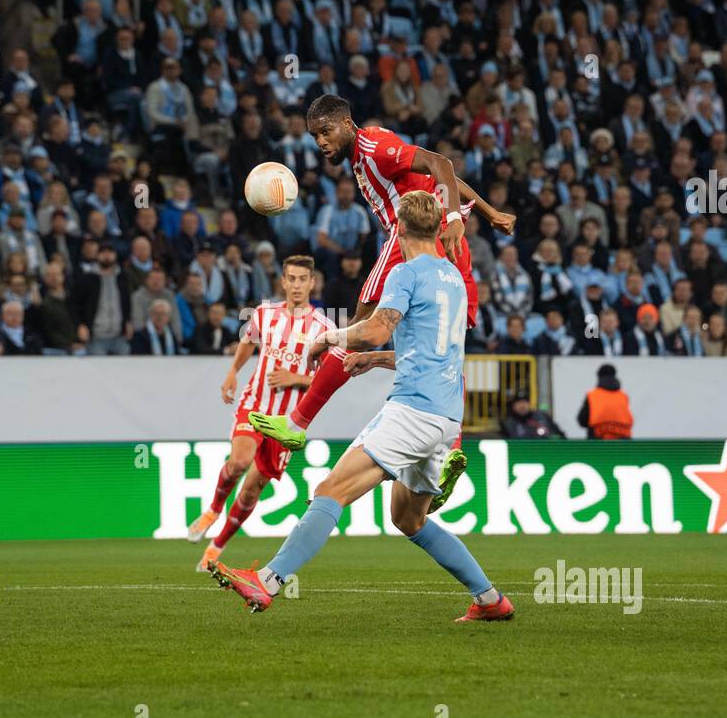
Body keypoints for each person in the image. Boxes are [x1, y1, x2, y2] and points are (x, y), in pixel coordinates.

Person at [212, 192, 514, 622]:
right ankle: (490, 599)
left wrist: (330, 338)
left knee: (330, 491)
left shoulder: (404, 273)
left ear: (400, 230)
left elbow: (375, 329)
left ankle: (268, 580)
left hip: (411, 412)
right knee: (408, 520)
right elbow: (436, 352)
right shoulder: (454, 277)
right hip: (446, 418)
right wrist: (375, 360)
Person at [249, 94, 516, 512]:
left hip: (411, 236)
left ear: (347, 123)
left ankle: (297, 423)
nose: (321, 142)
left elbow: (441, 165)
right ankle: (451, 450)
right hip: (450, 253)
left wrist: (453, 218)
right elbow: (438, 180)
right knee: (443, 345)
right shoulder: (366, 154)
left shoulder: (374, 147)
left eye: (325, 131)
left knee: (360, 327)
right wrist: (489, 211)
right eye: (314, 136)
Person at [186, 256, 333, 573]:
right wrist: (232, 372)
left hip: (286, 424)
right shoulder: (265, 313)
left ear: (312, 283)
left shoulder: (324, 328)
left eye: (302, 279)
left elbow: (330, 378)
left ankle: (216, 546)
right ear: (283, 282)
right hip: (255, 405)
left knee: (252, 489)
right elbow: (247, 342)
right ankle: (213, 509)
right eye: (290, 279)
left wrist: (297, 379)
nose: (296, 285)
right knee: (239, 461)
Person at [576, 363, 633, 439]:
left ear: (599, 377)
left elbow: (582, 420)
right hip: (623, 442)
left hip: (598, 442)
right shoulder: (623, 396)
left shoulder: (592, 395)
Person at [500, 393, 565, 439]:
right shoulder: (508, 423)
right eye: (519, 403)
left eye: (525, 402)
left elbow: (559, 436)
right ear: (513, 406)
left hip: (545, 454)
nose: (522, 405)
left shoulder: (542, 417)